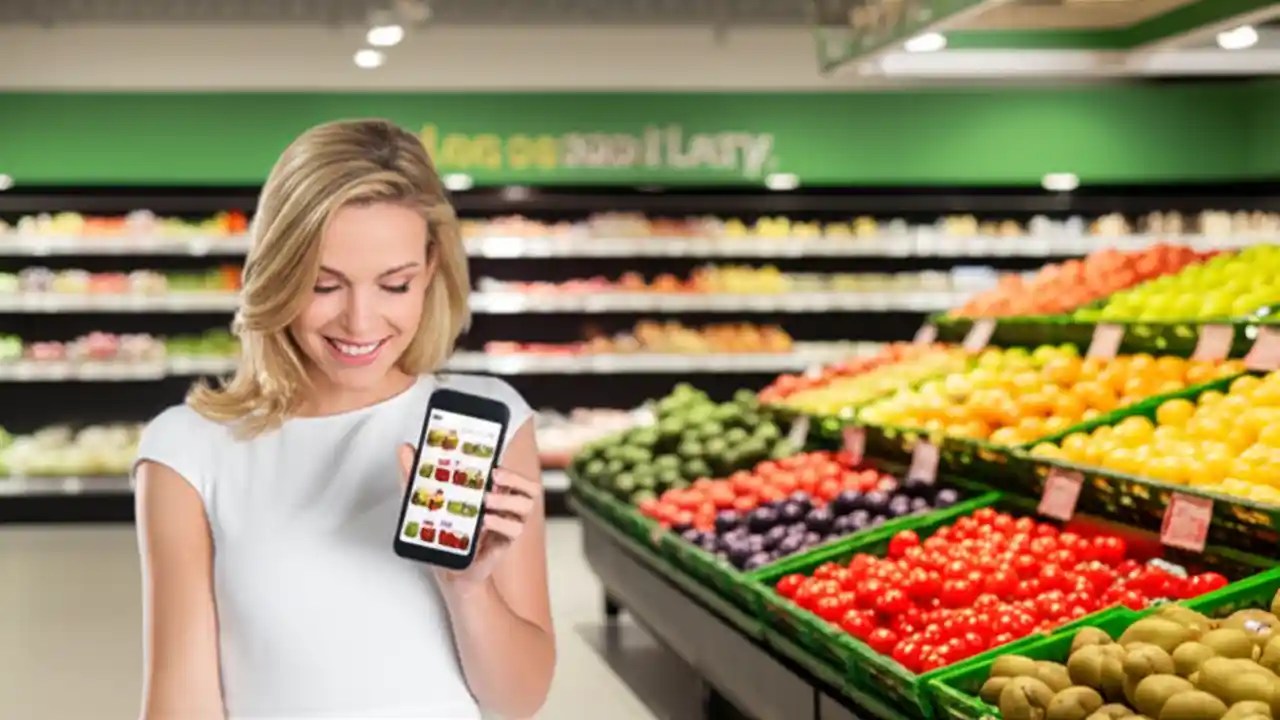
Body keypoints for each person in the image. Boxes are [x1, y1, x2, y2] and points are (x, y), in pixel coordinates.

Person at [133, 119, 555, 720]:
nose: (360, 322)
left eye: (394, 284)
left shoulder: (487, 425)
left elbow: (519, 702)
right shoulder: (190, 448)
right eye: (324, 285)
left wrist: (468, 588)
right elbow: (182, 705)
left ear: (431, 269)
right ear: (278, 273)